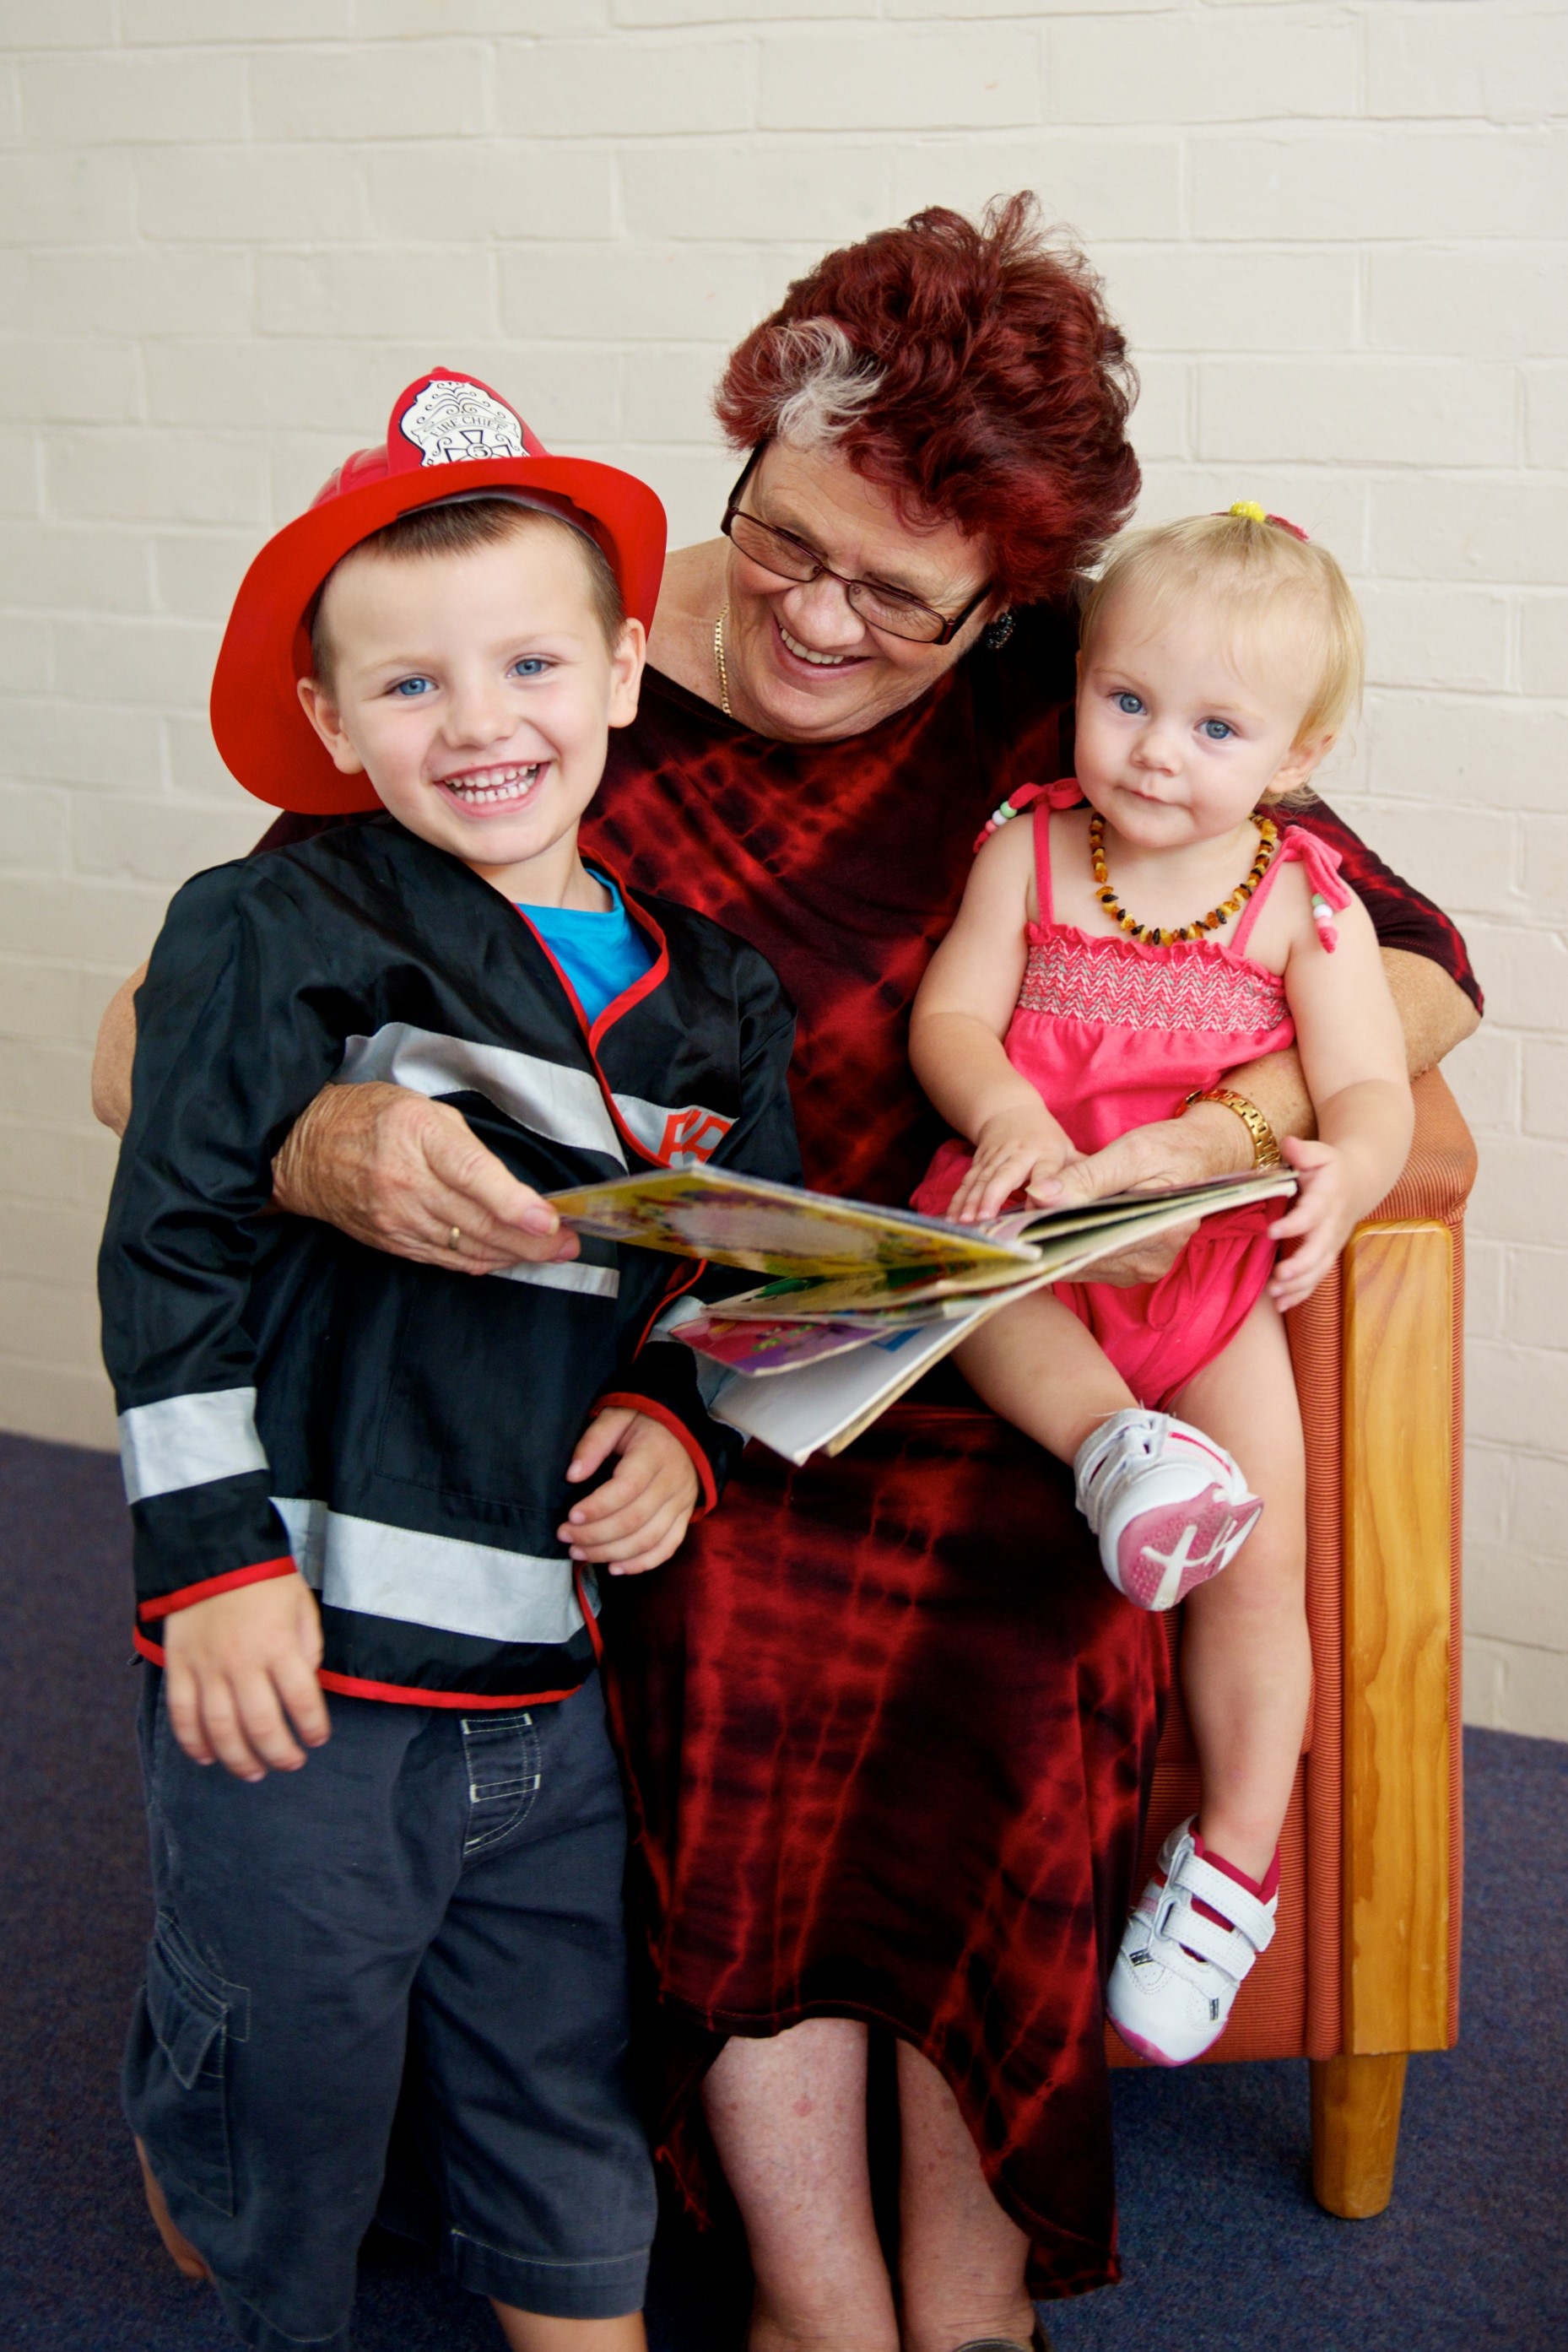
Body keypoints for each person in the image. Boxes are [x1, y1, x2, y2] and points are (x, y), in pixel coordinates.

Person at [95, 203, 1482, 2352]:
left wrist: (1208, 1131)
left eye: (902, 600)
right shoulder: (556, 675)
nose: (821, 618)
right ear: (746, 461)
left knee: (1039, 1618)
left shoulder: (1072, 722)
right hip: (658, 1370)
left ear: (1003, 607)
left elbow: (1406, 968)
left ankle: (969, 2258)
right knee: (723, 1599)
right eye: (789, 541)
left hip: (991, 1355)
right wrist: (331, 1137)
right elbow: (153, 1034)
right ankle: (810, 2286)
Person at [98, 371, 798, 2352]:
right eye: (406, 686)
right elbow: (170, 1247)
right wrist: (209, 1564)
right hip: (297, 1642)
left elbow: (749, 1284)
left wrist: (677, 1415)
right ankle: (231, 2185)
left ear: (626, 668)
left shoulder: (720, 999)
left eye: (524, 662)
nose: (479, 720)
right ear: (327, 724)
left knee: (549, 2046)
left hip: (543, 1665)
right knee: (298, 2062)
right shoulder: (273, 922)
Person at [909, 505, 1414, 2070]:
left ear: (1294, 751)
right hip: (1033, 1218)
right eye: (1124, 700)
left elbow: (1369, 1089)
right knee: (983, 1302)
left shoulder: (1302, 900)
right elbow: (953, 1019)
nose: (1152, 752)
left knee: (1264, 1574)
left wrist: (1351, 1167)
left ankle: (1227, 1877)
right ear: (1078, 687)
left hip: (1207, 1266)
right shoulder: (1029, 848)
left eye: (1214, 726)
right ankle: (1113, 1454)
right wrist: (1003, 1112)